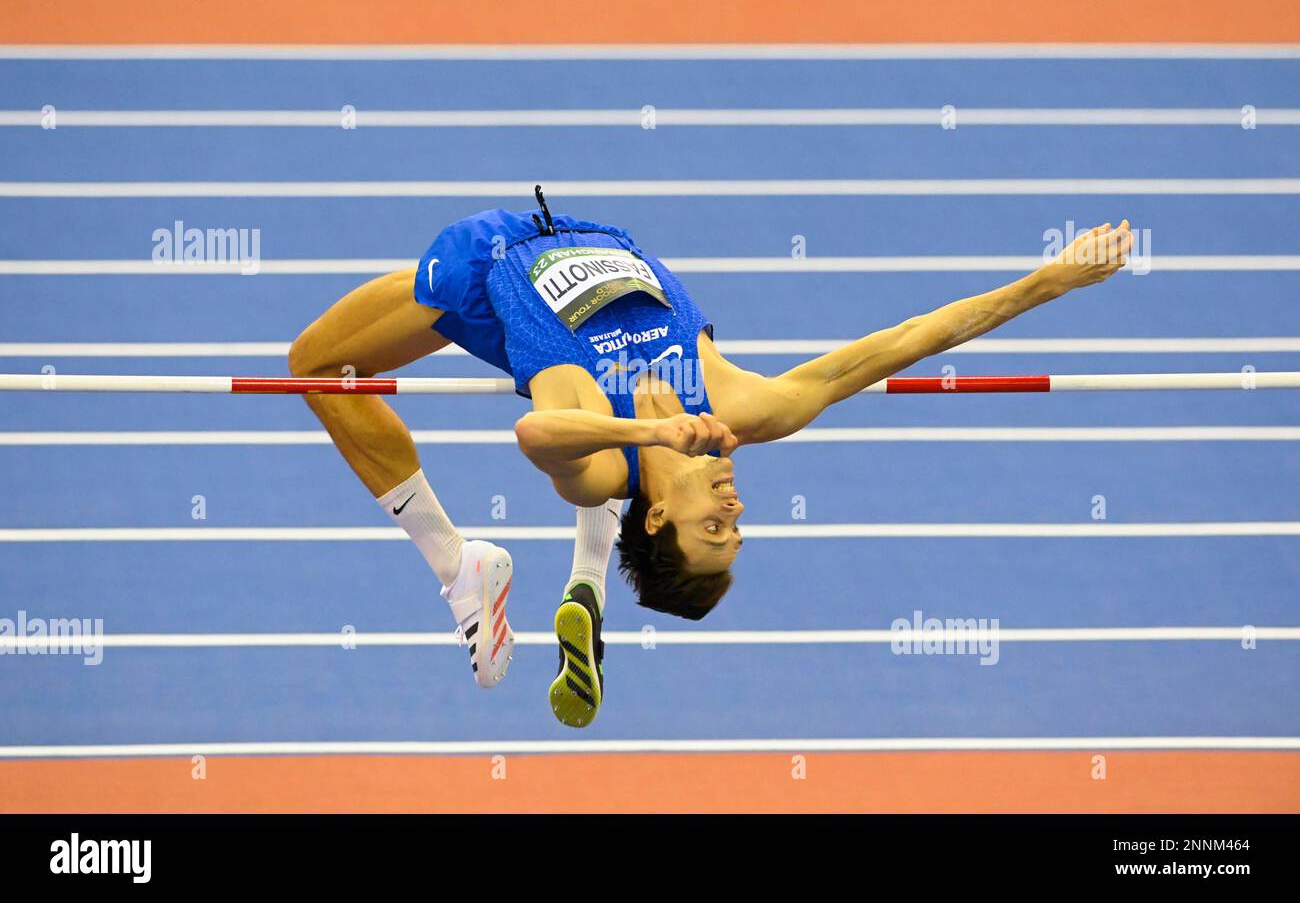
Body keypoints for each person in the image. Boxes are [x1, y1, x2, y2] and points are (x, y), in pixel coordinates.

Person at [290, 187, 1132, 727]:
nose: (734, 506)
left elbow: (536, 436)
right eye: (738, 525)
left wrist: (649, 434)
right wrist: (1049, 282)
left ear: (659, 516)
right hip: (585, 232)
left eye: (714, 527)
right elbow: (906, 342)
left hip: (487, 267)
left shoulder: (600, 460)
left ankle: (459, 566)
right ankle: (583, 581)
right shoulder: (744, 409)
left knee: (314, 366)